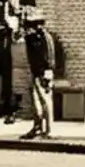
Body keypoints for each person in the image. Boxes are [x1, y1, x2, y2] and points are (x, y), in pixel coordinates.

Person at [20, 8, 57, 141]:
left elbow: (50, 55)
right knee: (36, 102)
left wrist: (49, 70)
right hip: (35, 72)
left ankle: (49, 129)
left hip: (43, 72)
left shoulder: (44, 38)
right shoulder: (31, 38)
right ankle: (37, 127)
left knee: (46, 101)